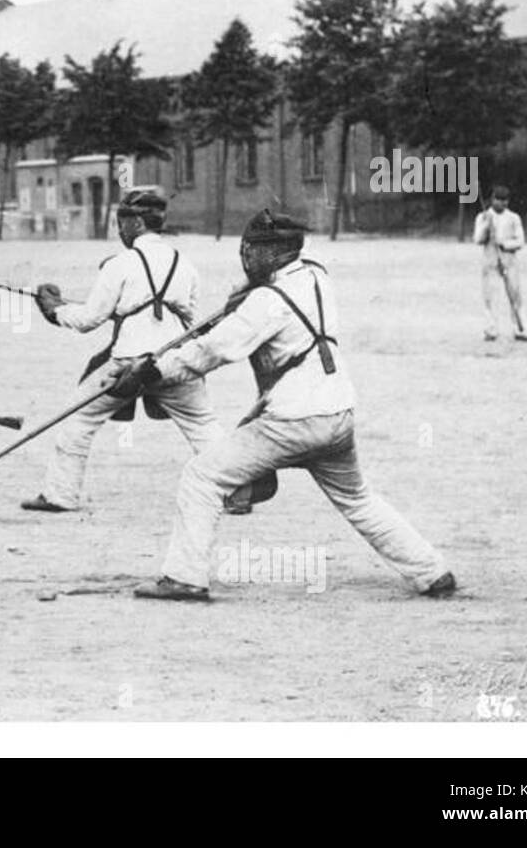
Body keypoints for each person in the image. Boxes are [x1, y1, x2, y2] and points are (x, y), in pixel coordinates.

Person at [107, 208, 456, 602]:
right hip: (337, 414)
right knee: (359, 499)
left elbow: (212, 351)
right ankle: (431, 571)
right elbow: (249, 305)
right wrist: (240, 298)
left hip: (293, 420)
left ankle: (184, 577)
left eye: (254, 250)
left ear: (273, 253)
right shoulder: (315, 275)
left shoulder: (266, 302)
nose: (248, 257)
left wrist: (150, 372)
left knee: (201, 477)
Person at [24, 188, 222, 512]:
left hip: (126, 365)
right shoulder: (185, 265)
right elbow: (190, 320)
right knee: (203, 425)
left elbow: (89, 319)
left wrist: (54, 310)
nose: (120, 230)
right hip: (175, 362)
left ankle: (60, 495)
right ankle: (235, 492)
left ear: (139, 224)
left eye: (123, 222)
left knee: (78, 419)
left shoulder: (119, 264)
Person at [472, 185, 527, 342]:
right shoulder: (482, 217)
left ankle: (520, 329)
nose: (502, 203)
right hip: (490, 264)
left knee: (516, 296)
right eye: (498, 199)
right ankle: (491, 330)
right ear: (492, 199)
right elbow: (477, 239)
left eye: (505, 200)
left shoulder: (514, 218)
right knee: (490, 298)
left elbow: (520, 241)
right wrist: (486, 227)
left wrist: (504, 243)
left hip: (509, 262)